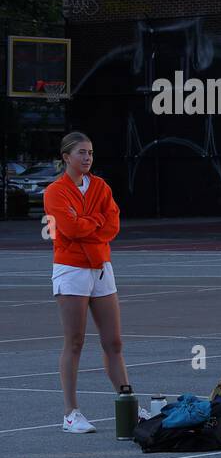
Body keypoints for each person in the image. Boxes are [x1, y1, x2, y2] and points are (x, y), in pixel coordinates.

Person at [44, 132, 136, 433]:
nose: (87, 158)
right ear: (66, 157)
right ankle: (71, 413)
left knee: (114, 341)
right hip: (71, 269)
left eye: (91, 153)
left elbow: (113, 224)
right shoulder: (55, 192)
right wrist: (93, 221)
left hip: (101, 267)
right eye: (81, 152)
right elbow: (69, 228)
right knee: (75, 341)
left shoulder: (100, 186)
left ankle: (126, 400)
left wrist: (90, 222)